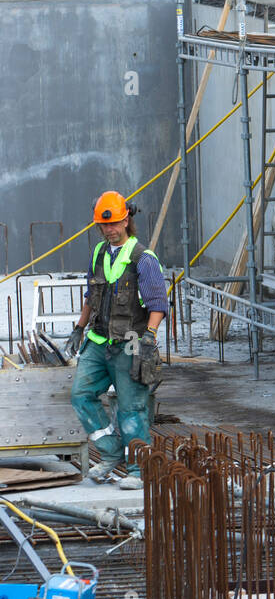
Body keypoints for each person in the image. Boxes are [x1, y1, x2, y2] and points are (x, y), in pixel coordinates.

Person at [66, 191, 169, 490]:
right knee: (81, 395)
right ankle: (111, 454)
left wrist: (149, 337)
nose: (109, 230)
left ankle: (138, 469)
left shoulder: (143, 259)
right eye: (103, 226)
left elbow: (158, 304)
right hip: (98, 341)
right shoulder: (99, 253)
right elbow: (91, 296)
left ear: (127, 220)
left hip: (132, 341)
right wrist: (78, 328)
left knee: (131, 406)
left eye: (114, 224)